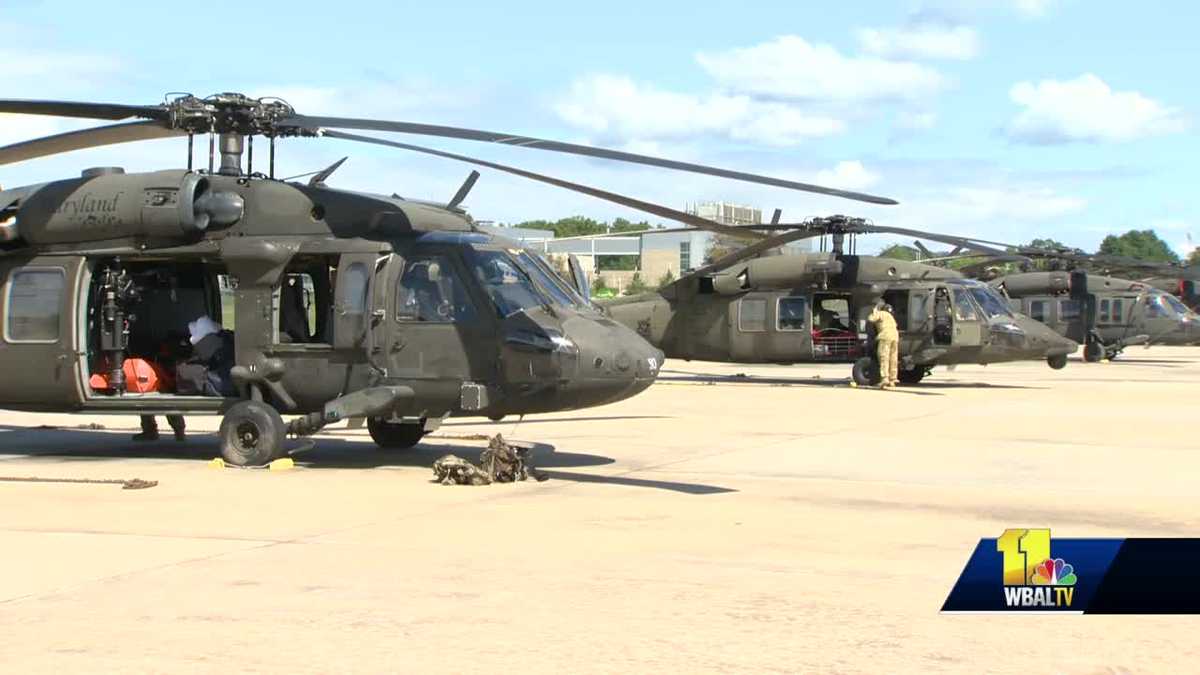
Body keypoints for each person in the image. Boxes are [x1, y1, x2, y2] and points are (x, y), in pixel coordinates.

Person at [868, 301, 900, 389]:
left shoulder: (881, 313)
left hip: (885, 336)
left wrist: (874, 311)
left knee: (884, 357)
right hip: (895, 336)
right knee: (893, 358)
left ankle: (884, 378)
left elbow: (871, 319)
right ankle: (893, 379)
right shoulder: (891, 317)